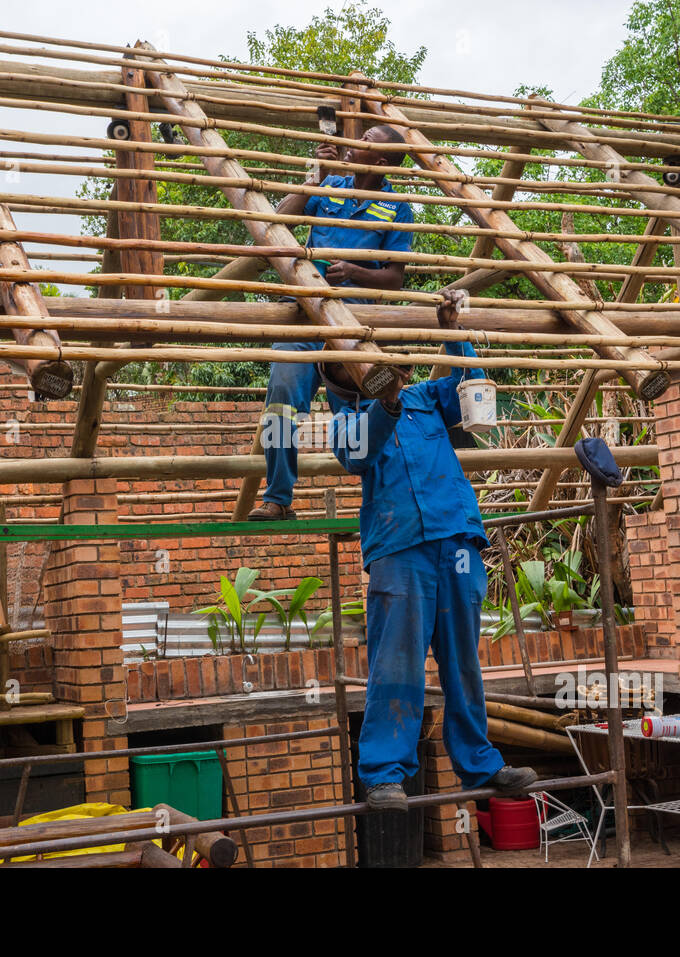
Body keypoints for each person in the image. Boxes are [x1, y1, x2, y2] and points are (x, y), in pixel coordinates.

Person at [326, 290, 537, 811]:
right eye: (349, 361)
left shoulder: (422, 398)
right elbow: (360, 455)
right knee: (395, 662)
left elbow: (471, 392)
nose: (362, 365)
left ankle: (480, 766)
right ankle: (383, 774)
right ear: (339, 377)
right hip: (400, 550)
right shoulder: (344, 424)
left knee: (463, 660)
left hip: (456, 539)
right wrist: (386, 403)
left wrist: (453, 331)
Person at [248, 124, 415, 521]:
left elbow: (394, 278)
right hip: (304, 314)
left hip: (352, 323)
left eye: (366, 141)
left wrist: (355, 271)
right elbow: (275, 224)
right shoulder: (330, 184)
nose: (351, 143)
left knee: (362, 414)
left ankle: (384, 507)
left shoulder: (398, 208)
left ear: (379, 161)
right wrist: (314, 179)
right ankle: (278, 497)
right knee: (282, 398)